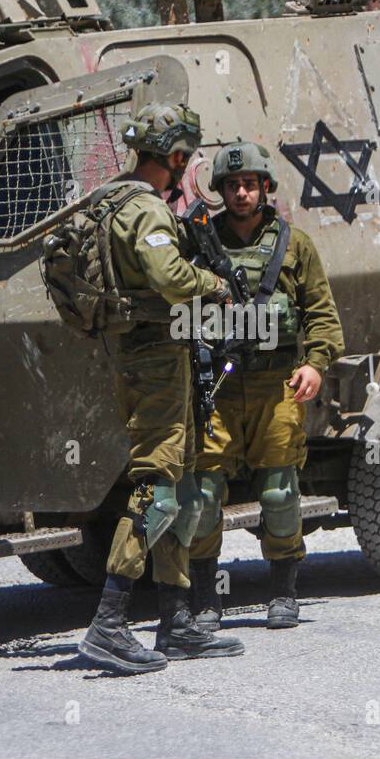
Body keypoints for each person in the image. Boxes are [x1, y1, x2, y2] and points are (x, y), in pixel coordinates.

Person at [76, 103, 245, 674]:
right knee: (159, 486)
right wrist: (216, 284)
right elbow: (171, 279)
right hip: (151, 360)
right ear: (173, 157)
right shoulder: (144, 209)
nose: (187, 168)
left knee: (185, 481)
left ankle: (177, 623)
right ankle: (110, 623)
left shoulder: (114, 198)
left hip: (162, 358)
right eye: (186, 158)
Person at [187, 142, 345, 630]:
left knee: (278, 491)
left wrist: (316, 364)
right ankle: (206, 598)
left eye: (249, 184)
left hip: (276, 385)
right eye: (232, 185)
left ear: (264, 188)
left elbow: (323, 316)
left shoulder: (293, 245)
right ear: (219, 191)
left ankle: (283, 591)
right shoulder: (197, 245)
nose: (240, 193)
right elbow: (175, 312)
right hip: (216, 385)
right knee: (205, 492)